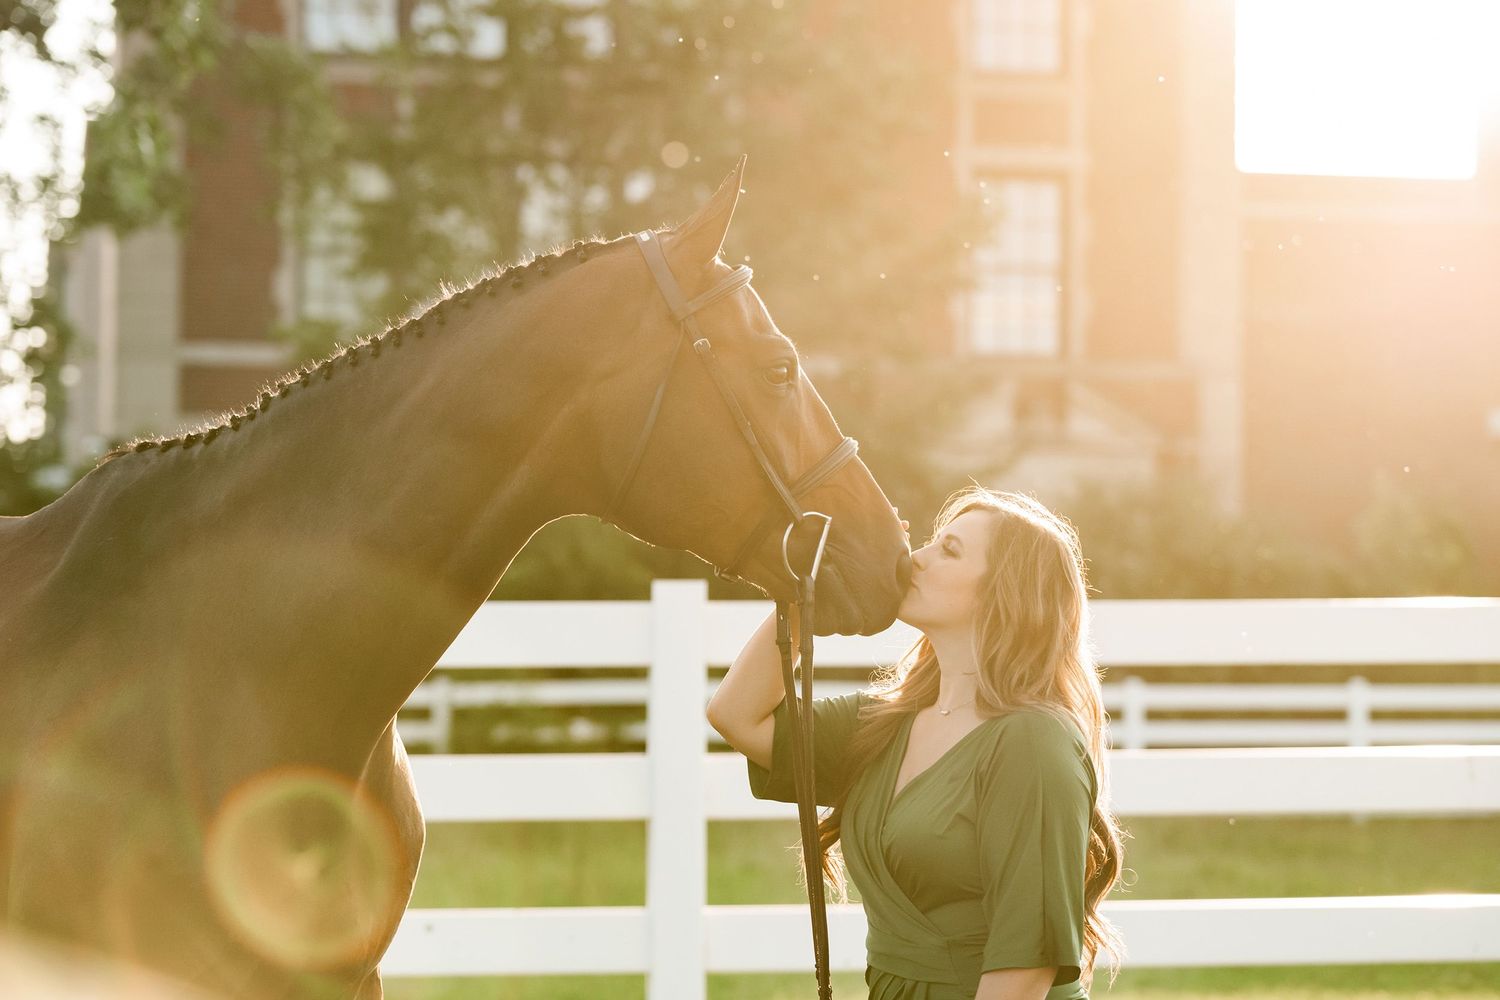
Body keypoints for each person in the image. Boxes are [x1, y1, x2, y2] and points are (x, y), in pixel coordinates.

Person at [706, 486, 1126, 1000]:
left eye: (948, 550)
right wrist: (804, 599)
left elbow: (1023, 972)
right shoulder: (885, 722)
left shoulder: (1033, 741)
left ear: (1006, 593)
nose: (914, 560)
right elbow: (735, 715)